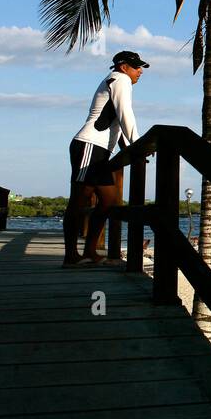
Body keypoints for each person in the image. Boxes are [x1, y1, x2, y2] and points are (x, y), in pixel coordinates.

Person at [62, 51, 149, 267]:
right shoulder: (120, 79)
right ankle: (70, 256)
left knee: (109, 201)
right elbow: (125, 113)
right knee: (79, 199)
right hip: (89, 145)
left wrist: (128, 148)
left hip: (100, 151)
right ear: (122, 66)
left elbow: (116, 123)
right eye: (136, 66)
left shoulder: (117, 80)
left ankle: (90, 249)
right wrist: (138, 146)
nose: (140, 71)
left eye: (141, 67)